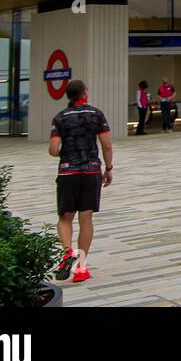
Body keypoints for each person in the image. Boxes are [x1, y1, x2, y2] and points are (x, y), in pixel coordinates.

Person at [48, 79, 113, 284]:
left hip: (68, 172)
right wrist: (108, 168)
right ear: (84, 93)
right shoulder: (96, 115)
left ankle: (68, 251)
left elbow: (53, 150)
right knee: (86, 219)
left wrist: (64, 153)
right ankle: (81, 268)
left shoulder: (60, 118)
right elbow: (106, 145)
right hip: (91, 170)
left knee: (65, 217)